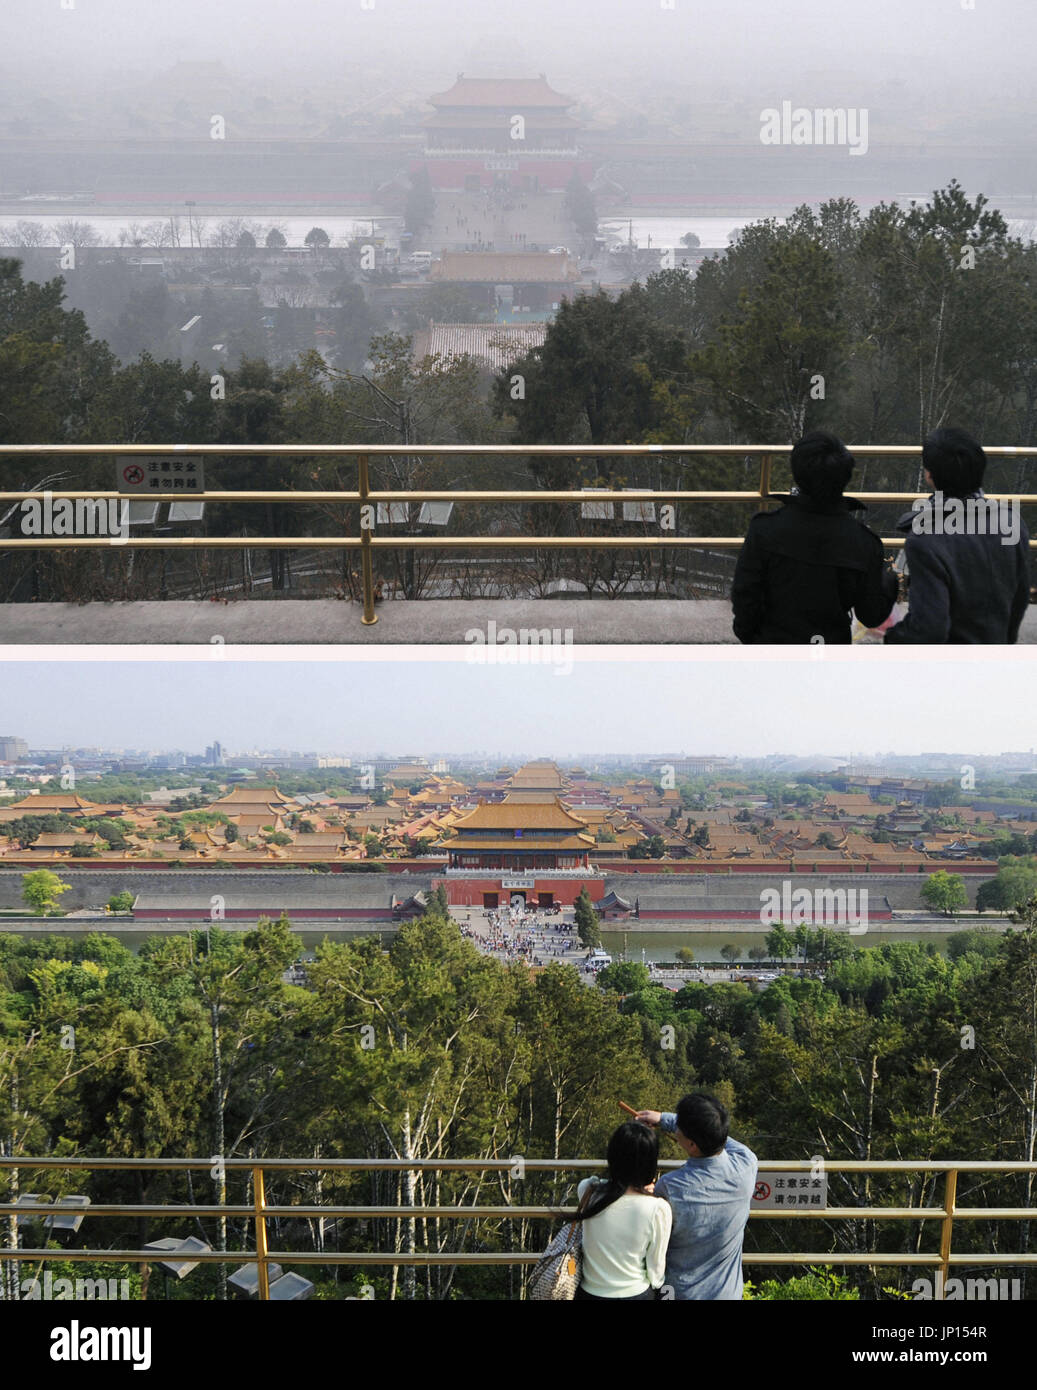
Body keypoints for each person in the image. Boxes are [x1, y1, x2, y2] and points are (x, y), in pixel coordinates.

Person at [731, 431, 897, 643]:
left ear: (797, 472)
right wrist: (891, 582)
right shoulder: (864, 543)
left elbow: (746, 596)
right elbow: (871, 615)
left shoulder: (765, 529)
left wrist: (751, 638)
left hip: (771, 652)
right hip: (830, 656)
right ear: (845, 476)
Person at [884, 427, 1030, 644]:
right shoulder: (1012, 522)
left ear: (929, 475)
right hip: (995, 657)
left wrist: (891, 638)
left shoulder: (925, 539)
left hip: (951, 666)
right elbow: (1019, 600)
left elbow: (929, 628)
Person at [637, 1092, 757, 1300]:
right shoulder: (747, 1165)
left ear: (692, 1145)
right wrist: (667, 1120)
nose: (676, 1130)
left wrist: (646, 1195)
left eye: (679, 1128)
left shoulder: (670, 1186)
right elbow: (719, 1136)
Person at [570, 1121, 673, 1301]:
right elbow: (656, 1274)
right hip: (635, 1294)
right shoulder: (657, 1208)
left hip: (588, 1293)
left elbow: (597, 1182)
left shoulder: (588, 1191)